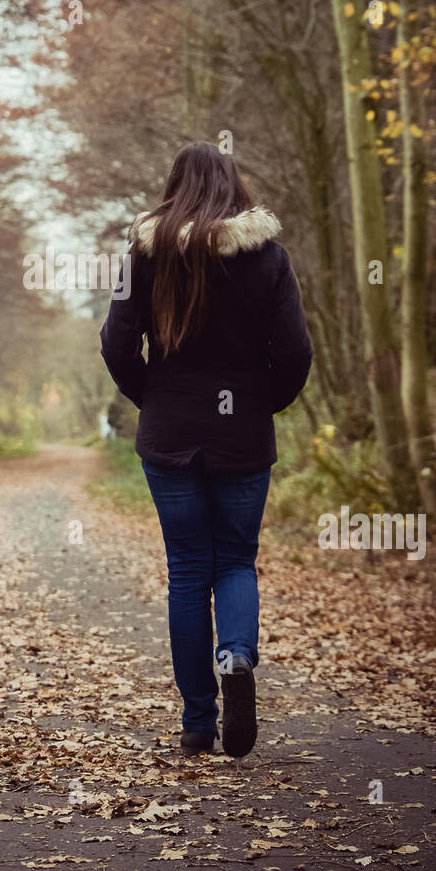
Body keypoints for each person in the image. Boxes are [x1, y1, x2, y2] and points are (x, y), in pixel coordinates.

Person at [100, 142, 312, 758]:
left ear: (175, 187)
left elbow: (116, 344)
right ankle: (237, 654)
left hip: (169, 433)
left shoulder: (145, 254)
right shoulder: (268, 257)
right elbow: (295, 352)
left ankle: (198, 722)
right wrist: (261, 403)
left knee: (188, 571)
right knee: (237, 560)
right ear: (233, 185)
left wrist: (154, 398)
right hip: (242, 432)